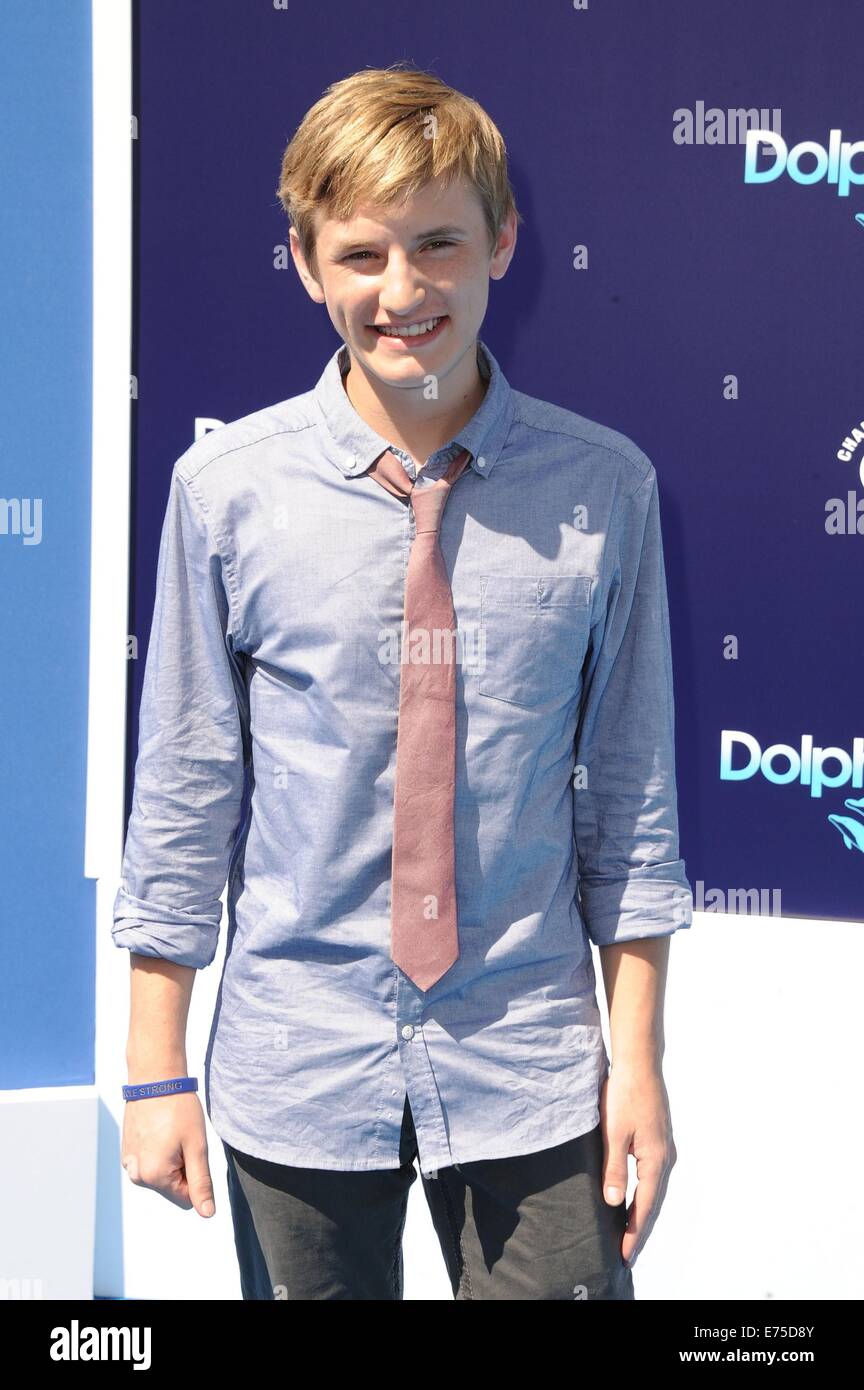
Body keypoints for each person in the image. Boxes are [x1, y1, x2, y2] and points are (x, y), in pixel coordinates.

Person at [113, 63, 694, 1301]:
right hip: (297, 1063)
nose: (403, 289)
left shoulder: (606, 490)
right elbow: (186, 789)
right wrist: (155, 1066)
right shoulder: (226, 494)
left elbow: (632, 802)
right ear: (308, 262)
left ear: (503, 243)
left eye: (438, 244)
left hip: (533, 1065)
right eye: (363, 253)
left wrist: (636, 1064)